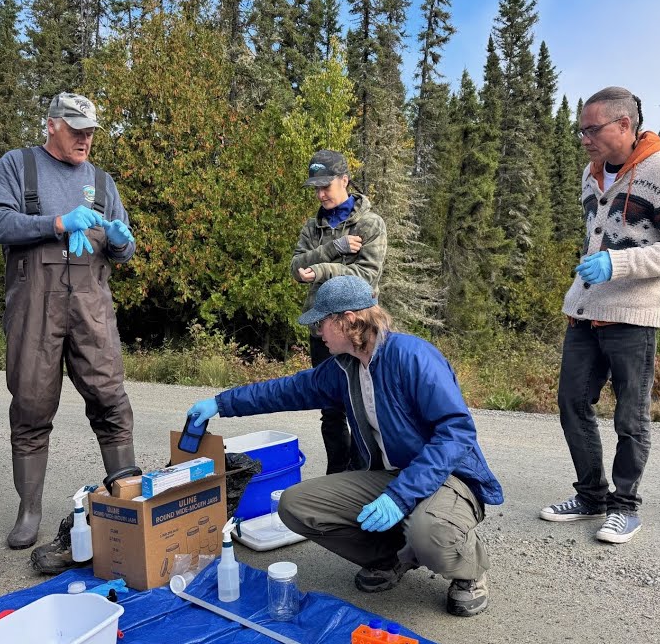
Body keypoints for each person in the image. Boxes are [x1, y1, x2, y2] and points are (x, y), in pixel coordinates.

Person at [186, 275, 502, 617]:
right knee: (295, 505)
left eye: (322, 323)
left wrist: (400, 496)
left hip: (448, 478)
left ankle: (470, 570)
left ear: (349, 320)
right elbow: (286, 390)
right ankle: (393, 557)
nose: (318, 333)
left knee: (430, 531)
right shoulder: (345, 368)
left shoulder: (412, 356)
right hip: (394, 476)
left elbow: (457, 432)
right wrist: (222, 403)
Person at [539, 86, 660, 544]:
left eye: (592, 129)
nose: (584, 138)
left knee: (630, 417)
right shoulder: (590, 175)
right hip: (585, 310)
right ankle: (591, 496)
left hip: (634, 315)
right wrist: (592, 274)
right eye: (581, 130)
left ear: (625, 125)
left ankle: (626, 507)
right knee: (572, 403)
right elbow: (597, 237)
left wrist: (619, 263)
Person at [0, 92, 140, 552]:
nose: (86, 139)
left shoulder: (103, 181)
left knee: (111, 401)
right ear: (51, 125)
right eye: (77, 130)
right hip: (35, 306)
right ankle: (29, 512)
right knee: (31, 408)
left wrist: (120, 241)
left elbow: (122, 250)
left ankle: (126, 503)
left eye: (91, 131)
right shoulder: (18, 166)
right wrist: (55, 222)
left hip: (91, 306)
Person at [289, 149, 387, 475]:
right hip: (323, 329)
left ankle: (364, 476)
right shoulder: (312, 226)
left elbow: (365, 277)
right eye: (315, 188)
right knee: (330, 409)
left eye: (326, 186)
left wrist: (321, 270)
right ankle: (336, 477)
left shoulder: (370, 224)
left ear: (344, 180)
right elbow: (295, 267)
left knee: (361, 404)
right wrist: (334, 247)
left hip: (359, 328)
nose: (320, 194)